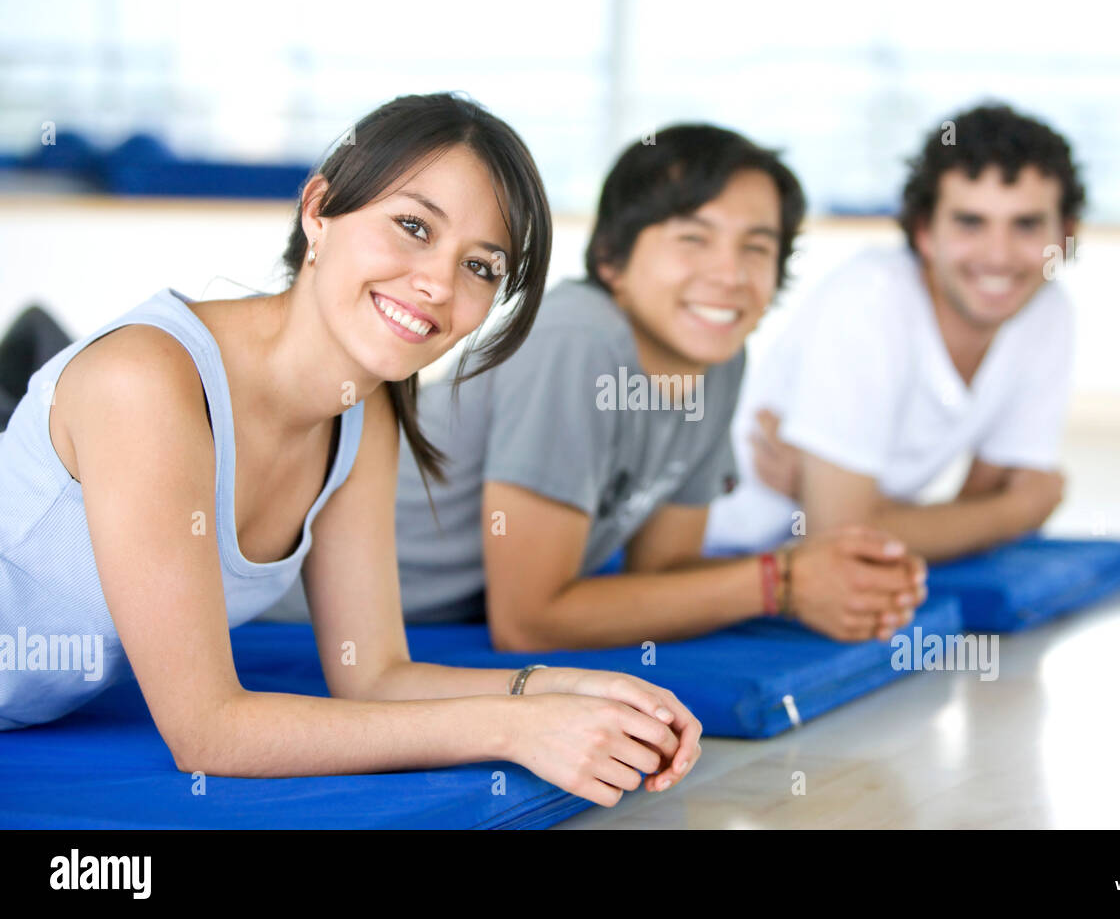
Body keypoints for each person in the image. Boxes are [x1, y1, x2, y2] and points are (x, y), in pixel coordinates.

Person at [0, 93, 702, 809]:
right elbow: (209, 733)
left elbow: (375, 675)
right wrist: (514, 728)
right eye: (412, 226)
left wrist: (567, 688)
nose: (436, 283)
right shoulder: (143, 381)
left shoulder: (362, 408)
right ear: (318, 210)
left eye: (481, 267)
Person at [267, 123, 927, 647]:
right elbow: (529, 621)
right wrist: (779, 583)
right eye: (693, 239)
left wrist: (826, 571)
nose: (730, 275)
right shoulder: (577, 338)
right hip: (292, 621)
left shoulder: (720, 360)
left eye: (757, 247)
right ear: (612, 258)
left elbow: (662, 572)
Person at [704, 103, 1082, 562]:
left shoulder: (1046, 312)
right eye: (970, 223)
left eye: (1026, 225)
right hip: (710, 544)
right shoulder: (870, 299)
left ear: (1065, 236)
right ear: (924, 232)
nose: (998, 255)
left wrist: (862, 511)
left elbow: (972, 511)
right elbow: (840, 538)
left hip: (799, 556)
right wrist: (1023, 509)